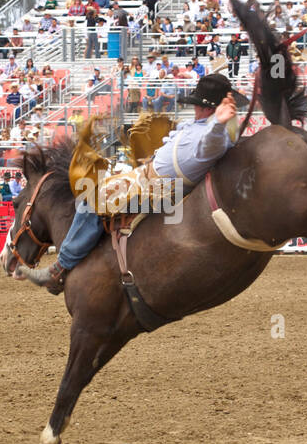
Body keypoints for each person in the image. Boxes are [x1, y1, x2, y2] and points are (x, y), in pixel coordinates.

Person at [34, 74, 245, 295]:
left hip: (161, 188)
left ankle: (60, 267)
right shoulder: (201, 126)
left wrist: (220, 124)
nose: (195, 109)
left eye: (198, 105)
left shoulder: (216, 134)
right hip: (149, 177)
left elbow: (208, 148)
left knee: (92, 200)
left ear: (207, 108)